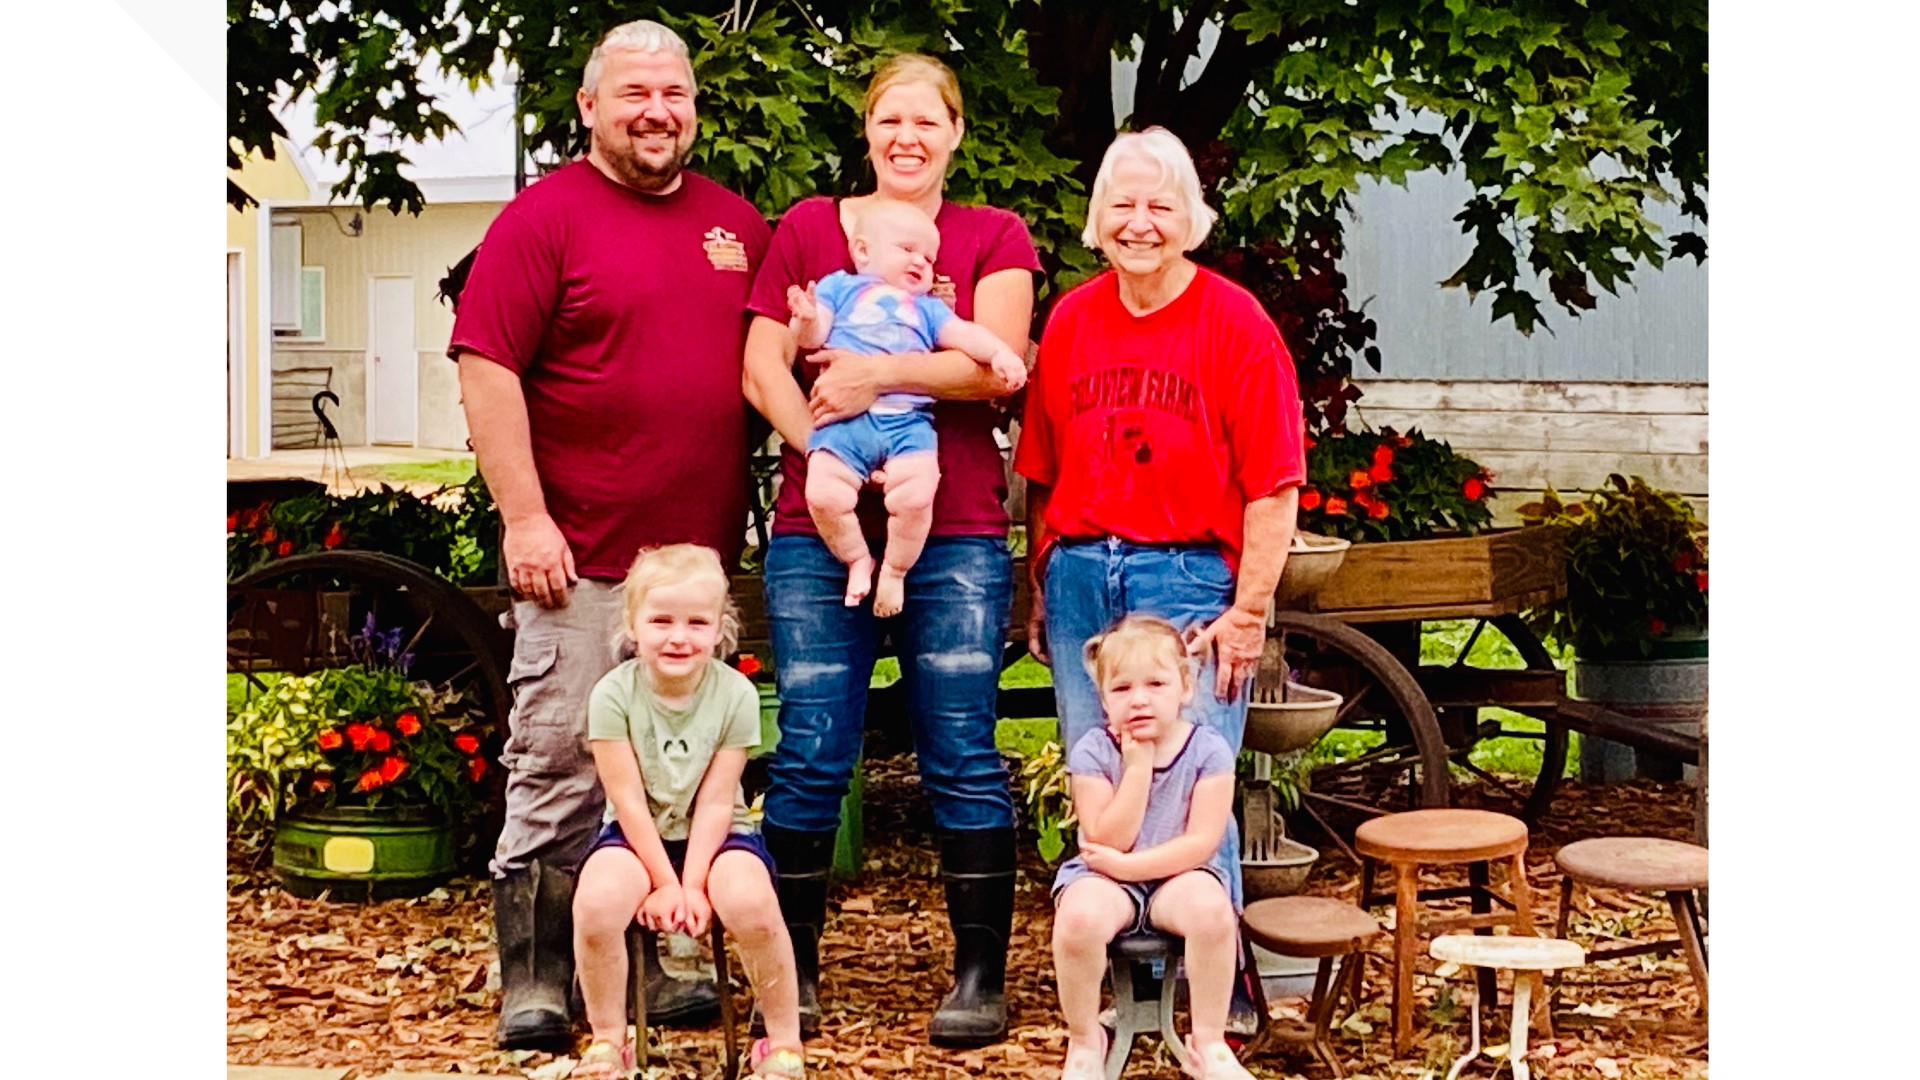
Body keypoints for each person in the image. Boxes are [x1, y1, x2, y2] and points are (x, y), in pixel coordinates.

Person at [447, 19, 772, 1049]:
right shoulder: (543, 220)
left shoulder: (735, 226)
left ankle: (674, 959)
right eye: (633, 94)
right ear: (589, 106)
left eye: (672, 94)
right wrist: (524, 516)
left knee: (687, 759)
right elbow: (486, 364)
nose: (656, 112)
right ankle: (538, 976)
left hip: (697, 573)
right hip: (579, 559)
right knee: (557, 759)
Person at [741, 52, 1038, 1047]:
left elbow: (994, 366)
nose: (907, 139)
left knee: (960, 746)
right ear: (866, 131)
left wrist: (876, 374)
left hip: (949, 528)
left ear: (956, 132)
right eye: (889, 121)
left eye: (928, 121)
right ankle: (796, 980)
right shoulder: (809, 230)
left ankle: (978, 977)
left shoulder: (995, 236)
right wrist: (826, 442)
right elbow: (760, 367)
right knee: (814, 750)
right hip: (817, 530)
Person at [1014, 126, 1306, 913]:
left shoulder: (1235, 323)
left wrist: (1248, 611)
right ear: (1095, 216)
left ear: (1192, 219)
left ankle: (1218, 994)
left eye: (1159, 205)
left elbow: (1275, 485)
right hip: (1080, 577)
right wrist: (1042, 578)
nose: (1139, 223)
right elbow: (1042, 471)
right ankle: (1113, 984)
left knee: (1193, 780)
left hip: (1188, 581)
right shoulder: (1072, 321)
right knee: (1102, 775)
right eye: (1122, 204)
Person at [570, 545, 805, 1079]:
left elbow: (718, 800)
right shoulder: (612, 694)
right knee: (597, 903)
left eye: (697, 622)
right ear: (632, 624)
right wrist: (662, 881)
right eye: (661, 621)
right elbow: (626, 798)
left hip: (720, 835)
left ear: (721, 627)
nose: (679, 636)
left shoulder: (736, 694)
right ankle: (609, 1037)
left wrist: (692, 886)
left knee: (751, 903)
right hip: (635, 834)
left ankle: (782, 1040)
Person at [786, 200, 1028, 615]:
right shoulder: (838, 288)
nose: (921, 261)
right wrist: (805, 319)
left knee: (917, 495)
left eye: (929, 257)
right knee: (824, 492)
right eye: (907, 250)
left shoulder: (928, 308)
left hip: (907, 423)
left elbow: (968, 336)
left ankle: (895, 571)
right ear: (863, 251)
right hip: (843, 423)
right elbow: (812, 338)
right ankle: (856, 558)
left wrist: (1002, 355)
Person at [1050, 616, 1257, 1080]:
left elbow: (1202, 842)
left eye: (1156, 683)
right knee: (1079, 917)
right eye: (1121, 689)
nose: (1139, 699)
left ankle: (1209, 1042)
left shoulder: (1209, 751)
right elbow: (1107, 838)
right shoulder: (1093, 751)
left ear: (1185, 687)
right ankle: (1085, 1040)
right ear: (1103, 700)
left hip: (1177, 871)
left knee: (1211, 911)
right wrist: (1138, 768)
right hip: (1105, 874)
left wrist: (1130, 866)